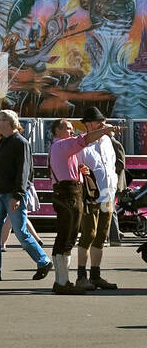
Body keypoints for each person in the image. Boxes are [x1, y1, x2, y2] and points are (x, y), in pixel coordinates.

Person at [0, 108, 51, 282]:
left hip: (12, 194)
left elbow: (24, 171)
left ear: (9, 122)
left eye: (1, 119)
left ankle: (43, 261)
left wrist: (18, 195)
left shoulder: (21, 142)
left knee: (20, 232)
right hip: (0, 194)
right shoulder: (4, 141)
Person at [48, 117, 109, 295]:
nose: (71, 131)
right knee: (68, 237)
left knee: (65, 236)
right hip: (69, 195)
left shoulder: (59, 147)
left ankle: (61, 280)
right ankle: (63, 282)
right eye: (67, 128)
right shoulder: (62, 145)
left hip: (68, 193)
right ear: (57, 132)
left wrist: (82, 173)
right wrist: (104, 130)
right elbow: (84, 139)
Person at [76, 108, 120, 291]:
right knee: (88, 235)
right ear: (88, 124)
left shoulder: (108, 141)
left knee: (101, 236)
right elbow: (78, 169)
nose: (102, 124)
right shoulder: (82, 143)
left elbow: (112, 167)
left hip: (108, 195)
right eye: (97, 121)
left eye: (103, 121)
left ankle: (95, 275)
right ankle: (81, 276)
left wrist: (115, 187)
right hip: (91, 197)